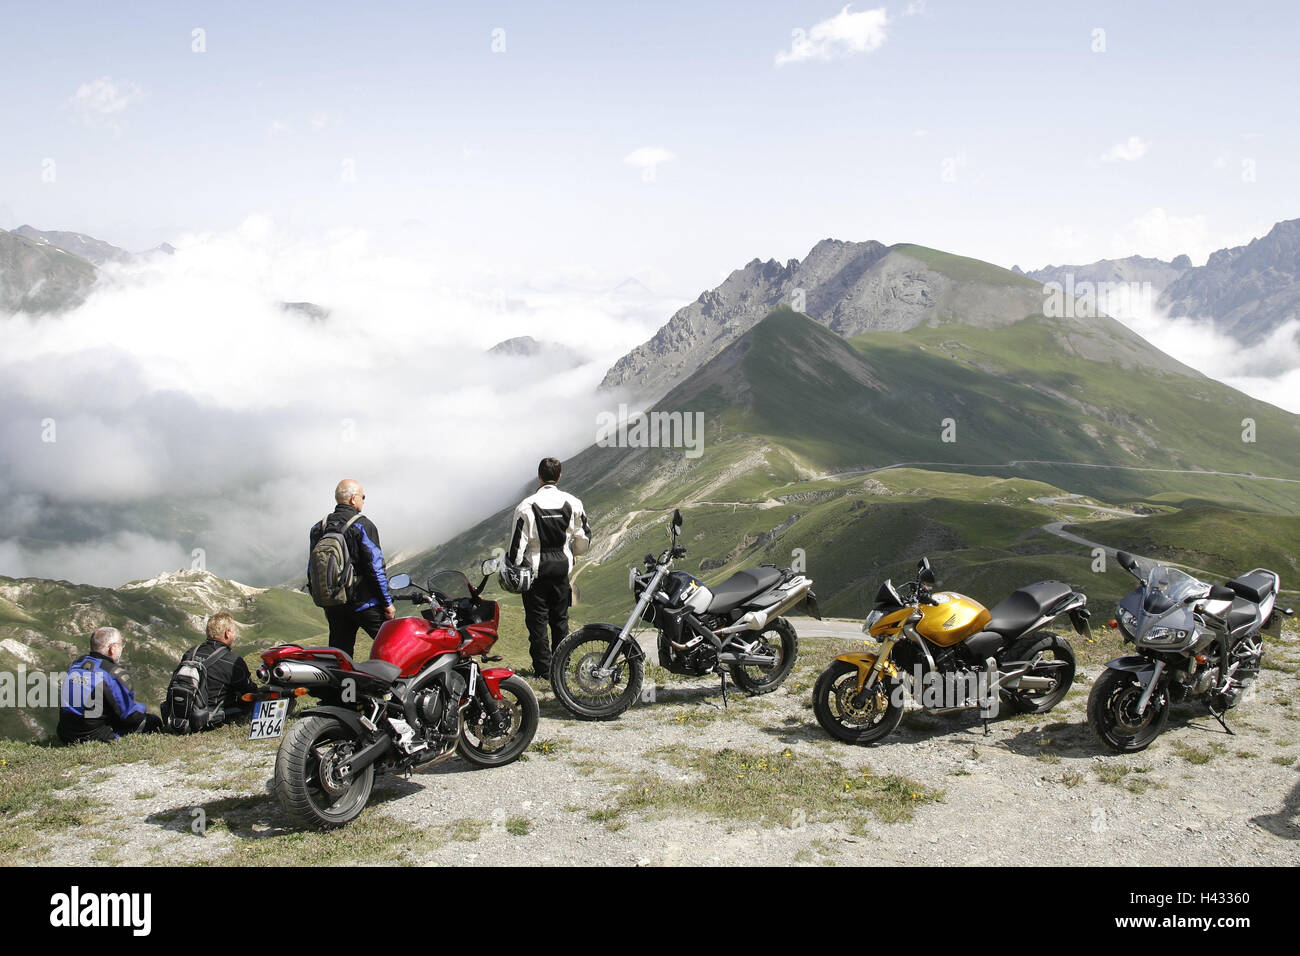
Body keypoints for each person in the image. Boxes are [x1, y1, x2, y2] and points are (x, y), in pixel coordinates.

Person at [507, 457, 590, 677]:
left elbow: (517, 546)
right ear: (559, 476)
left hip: (535, 574)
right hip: (562, 571)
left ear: (539, 476)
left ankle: (543, 670)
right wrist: (573, 553)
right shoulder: (573, 503)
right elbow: (583, 538)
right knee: (560, 620)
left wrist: (513, 569)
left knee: (537, 624)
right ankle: (562, 666)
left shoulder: (526, 506)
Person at [309, 478, 394, 658]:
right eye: (363, 496)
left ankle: (340, 686)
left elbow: (312, 568)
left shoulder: (319, 527)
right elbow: (375, 568)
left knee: (340, 657)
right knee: (393, 647)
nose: (363, 500)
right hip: (364, 603)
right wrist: (387, 603)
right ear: (354, 498)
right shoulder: (363, 525)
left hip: (335, 604)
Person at [57, 627, 162, 744]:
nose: (122, 648)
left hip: (65, 733)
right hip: (91, 736)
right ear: (112, 648)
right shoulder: (112, 674)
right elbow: (129, 716)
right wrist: (142, 709)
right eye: (121, 645)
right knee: (153, 721)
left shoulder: (77, 665)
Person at [160, 611, 258, 731]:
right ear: (227, 633)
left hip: (182, 715)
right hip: (209, 719)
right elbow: (249, 691)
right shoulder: (233, 661)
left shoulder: (191, 653)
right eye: (233, 631)